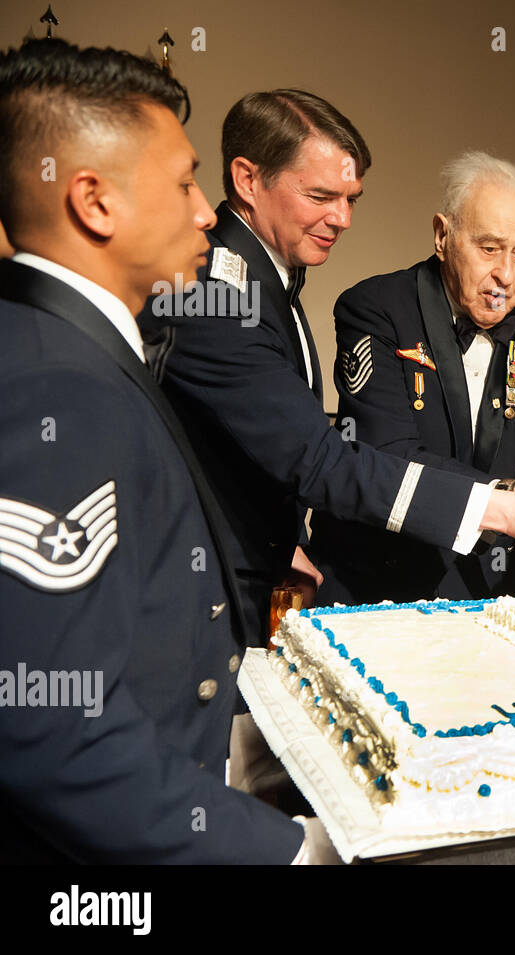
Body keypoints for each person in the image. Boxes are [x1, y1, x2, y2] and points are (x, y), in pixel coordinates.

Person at [0, 38, 310, 862]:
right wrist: (288, 853)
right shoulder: (53, 386)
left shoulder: (73, 350)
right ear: (94, 202)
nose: (207, 210)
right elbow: (52, 729)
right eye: (183, 183)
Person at [145, 101, 515, 644]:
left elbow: (254, 447)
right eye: (320, 196)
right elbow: (323, 460)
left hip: (456, 584)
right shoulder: (223, 294)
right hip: (242, 590)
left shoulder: (268, 280)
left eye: (350, 200)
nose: (343, 219)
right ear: (248, 179)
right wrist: (506, 505)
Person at [308, 152, 515, 604]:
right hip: (374, 576)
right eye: (489, 248)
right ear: (443, 235)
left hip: (483, 584)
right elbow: (387, 451)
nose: (506, 274)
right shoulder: (377, 308)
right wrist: (512, 497)